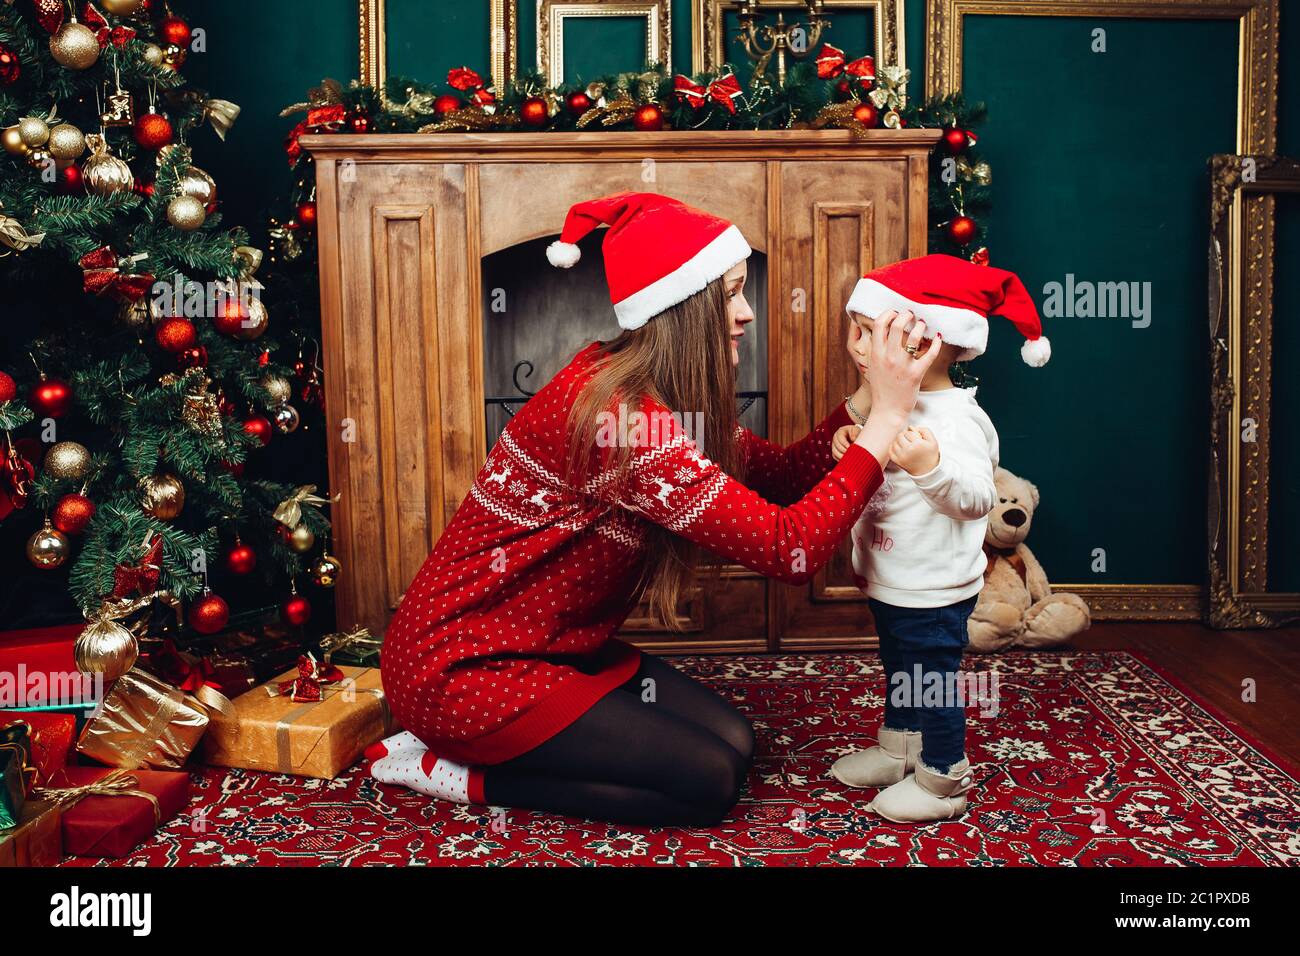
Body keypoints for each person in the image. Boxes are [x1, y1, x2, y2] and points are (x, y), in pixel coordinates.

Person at [370, 192, 939, 827]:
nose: (747, 313)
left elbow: (777, 478)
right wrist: (887, 419)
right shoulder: (623, 423)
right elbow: (792, 549)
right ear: (683, 308)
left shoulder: (660, 393)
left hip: (554, 650)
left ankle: (491, 751)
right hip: (461, 672)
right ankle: (457, 771)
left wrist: (864, 398)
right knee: (708, 783)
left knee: (738, 741)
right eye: (730, 294)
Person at [827, 253, 1049, 822]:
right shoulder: (893, 403)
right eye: (856, 331)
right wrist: (855, 445)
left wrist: (930, 469)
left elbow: (979, 498)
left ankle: (944, 776)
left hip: (934, 589)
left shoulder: (959, 420)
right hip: (890, 579)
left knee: (933, 683)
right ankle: (900, 747)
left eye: (870, 333)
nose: (855, 345)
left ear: (923, 342)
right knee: (900, 668)